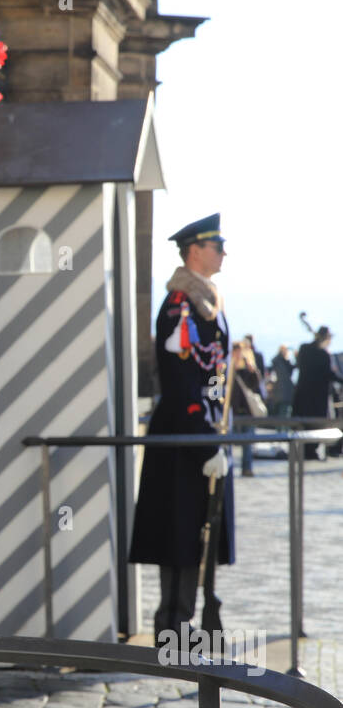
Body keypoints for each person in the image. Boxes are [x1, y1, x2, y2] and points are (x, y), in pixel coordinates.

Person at [129, 213, 235, 643]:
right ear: (195, 250)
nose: (224, 252)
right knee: (178, 535)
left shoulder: (205, 298)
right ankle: (172, 628)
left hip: (202, 431)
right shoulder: (181, 303)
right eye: (217, 245)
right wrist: (204, 440)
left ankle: (185, 624)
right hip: (184, 434)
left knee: (196, 535)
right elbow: (180, 379)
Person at [293, 324, 334, 459]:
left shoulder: (305, 349)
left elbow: (298, 365)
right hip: (317, 400)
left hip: (303, 397)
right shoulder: (323, 355)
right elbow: (329, 374)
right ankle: (311, 451)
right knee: (315, 426)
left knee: (305, 426)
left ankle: (308, 451)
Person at [231, 340, 266, 476]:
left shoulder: (247, 369)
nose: (239, 355)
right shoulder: (226, 369)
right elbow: (216, 386)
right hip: (232, 411)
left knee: (248, 443)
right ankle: (228, 468)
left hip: (247, 410)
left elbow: (256, 386)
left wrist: (253, 371)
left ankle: (247, 468)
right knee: (227, 441)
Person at [270, 345, 295, 417]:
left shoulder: (287, 362)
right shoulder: (278, 361)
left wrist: (296, 356)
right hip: (280, 392)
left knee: (286, 412)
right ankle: (282, 428)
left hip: (287, 392)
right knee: (282, 413)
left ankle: (284, 428)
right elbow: (274, 360)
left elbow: (296, 366)